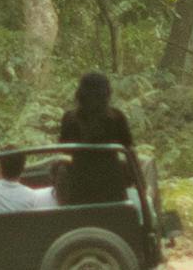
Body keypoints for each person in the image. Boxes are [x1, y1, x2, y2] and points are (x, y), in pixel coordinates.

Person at [52, 71, 141, 206]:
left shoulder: (69, 119)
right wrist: (141, 185)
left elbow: (64, 152)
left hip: (78, 190)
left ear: (80, 93)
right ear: (107, 93)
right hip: (112, 190)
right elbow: (130, 153)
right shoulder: (117, 118)